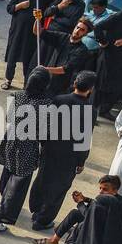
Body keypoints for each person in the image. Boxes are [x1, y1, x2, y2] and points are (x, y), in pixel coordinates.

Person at [28, 70, 96, 230]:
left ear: (74, 83)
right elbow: (85, 138)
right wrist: (81, 161)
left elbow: (45, 125)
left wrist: (43, 144)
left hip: (50, 149)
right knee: (58, 188)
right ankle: (43, 220)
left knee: (43, 180)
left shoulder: (58, 100)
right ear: (90, 89)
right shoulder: (89, 110)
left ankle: (36, 210)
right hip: (70, 156)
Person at [0, 68, 51, 232]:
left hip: (11, 141)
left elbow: (8, 118)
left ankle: (4, 200)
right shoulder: (46, 104)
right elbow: (44, 132)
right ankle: (0, 218)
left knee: (8, 173)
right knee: (17, 186)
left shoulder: (17, 96)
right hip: (28, 147)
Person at [2, 0, 51, 90]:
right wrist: (19, 6)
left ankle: (27, 82)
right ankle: (8, 80)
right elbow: (9, 8)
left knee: (28, 59)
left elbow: (51, 9)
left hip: (32, 34)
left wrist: (42, 15)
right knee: (12, 57)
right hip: (17, 31)